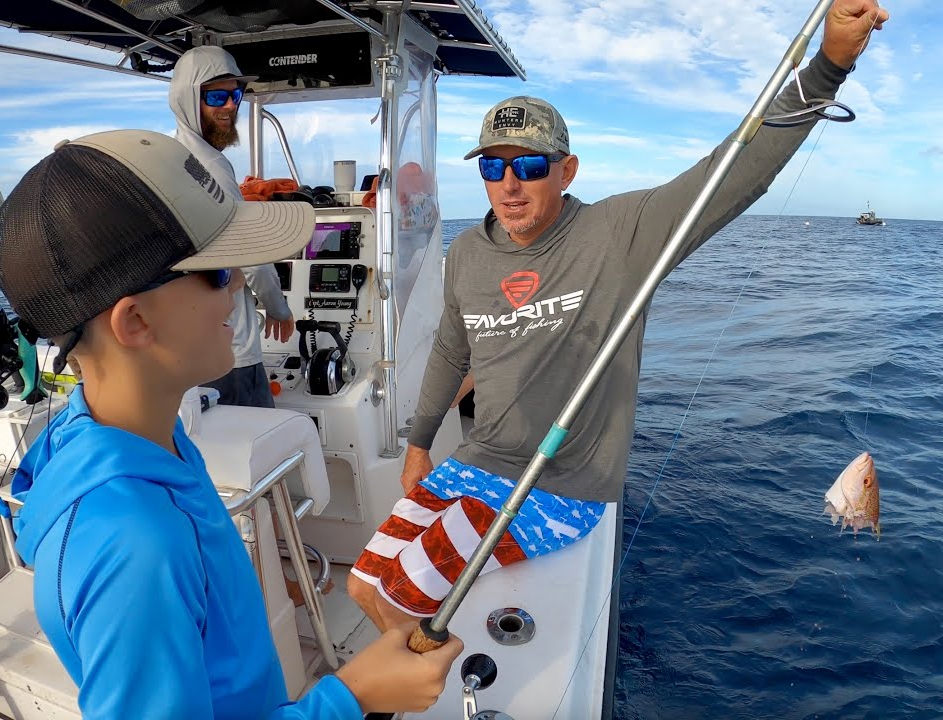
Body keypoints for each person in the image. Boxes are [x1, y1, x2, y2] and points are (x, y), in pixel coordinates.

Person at [348, 0, 890, 632]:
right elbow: (450, 350)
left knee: (400, 598)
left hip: (560, 490)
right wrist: (418, 446)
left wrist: (826, 67)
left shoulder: (620, 232)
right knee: (363, 584)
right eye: (493, 167)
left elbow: (734, 170)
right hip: (479, 460)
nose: (509, 185)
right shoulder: (468, 250)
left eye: (528, 165)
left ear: (566, 170)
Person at [0, 129, 462, 718]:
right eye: (216, 272)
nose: (238, 284)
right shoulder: (134, 543)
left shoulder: (131, 439)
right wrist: (350, 698)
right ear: (134, 324)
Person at [170, 46, 295, 408]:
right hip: (233, 350)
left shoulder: (172, 157)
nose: (229, 106)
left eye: (235, 94)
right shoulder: (210, 168)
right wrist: (279, 308)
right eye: (215, 96)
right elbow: (251, 256)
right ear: (187, 99)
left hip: (193, 349)